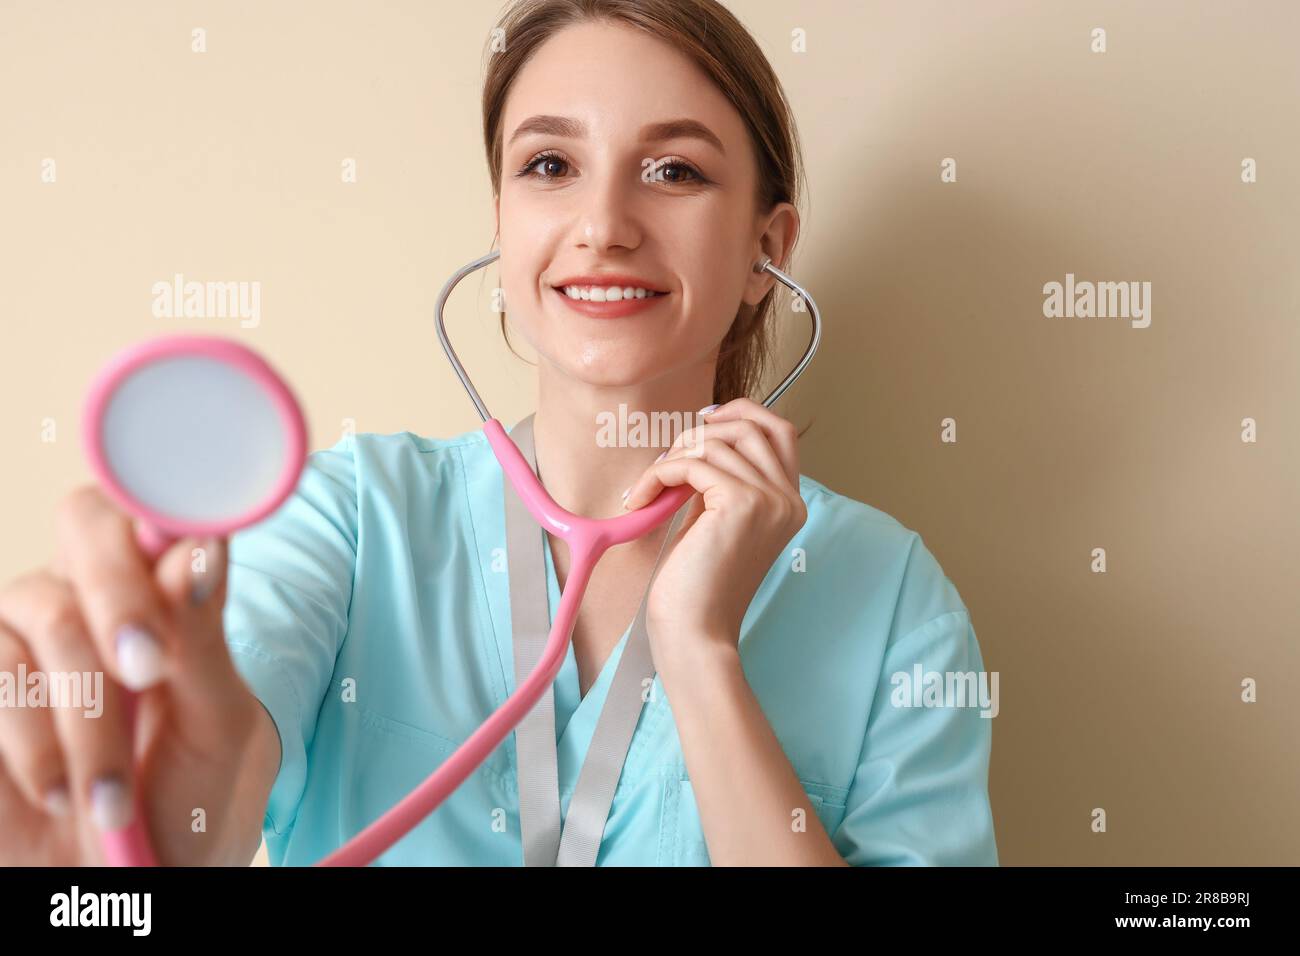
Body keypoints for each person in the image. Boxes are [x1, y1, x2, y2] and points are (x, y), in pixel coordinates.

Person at [0, 0, 997, 866]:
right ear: (502, 223)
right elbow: (197, 807)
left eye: (674, 169)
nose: (602, 223)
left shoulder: (891, 595)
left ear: (763, 251)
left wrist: (698, 653)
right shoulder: (354, 517)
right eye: (551, 163)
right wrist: (116, 849)